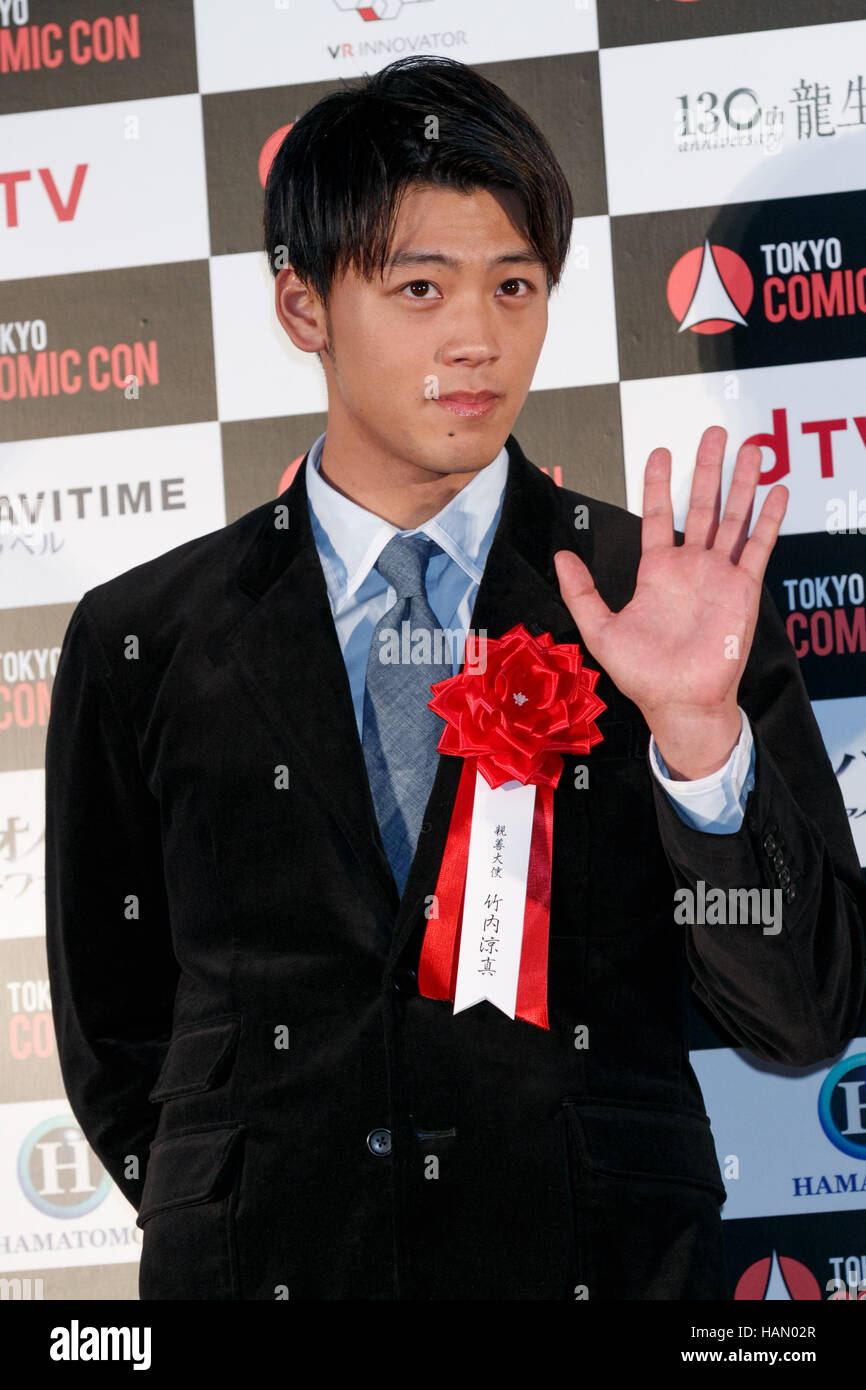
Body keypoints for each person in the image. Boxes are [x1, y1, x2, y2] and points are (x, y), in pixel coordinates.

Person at [44, 55, 866, 1301]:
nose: (475, 337)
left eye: (514, 286)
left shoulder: (663, 592)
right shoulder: (142, 633)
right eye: (418, 287)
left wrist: (696, 739)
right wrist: (230, 1203)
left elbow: (803, 1014)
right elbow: (115, 1034)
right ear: (302, 307)